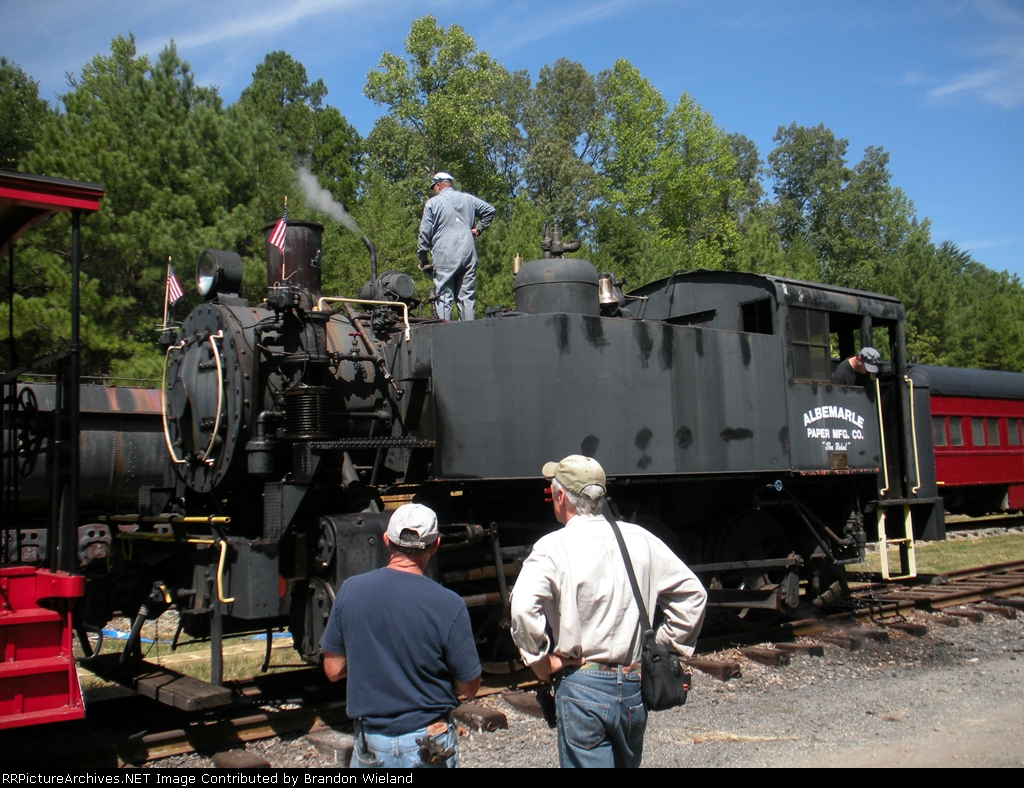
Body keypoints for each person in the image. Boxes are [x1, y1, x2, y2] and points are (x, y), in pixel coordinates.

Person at [510, 455, 707, 768]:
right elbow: (694, 595)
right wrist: (663, 646)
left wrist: (541, 662)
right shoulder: (641, 539)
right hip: (633, 685)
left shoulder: (552, 547)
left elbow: (522, 606)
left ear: (561, 497)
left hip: (582, 683)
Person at [320, 503, 481, 768]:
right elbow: (469, 688)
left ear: (386, 540)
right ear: (435, 545)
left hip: (370, 740)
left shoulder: (350, 591)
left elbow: (333, 669)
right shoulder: (450, 604)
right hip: (428, 741)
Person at [417, 172, 495, 321]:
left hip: (445, 253)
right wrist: (478, 229)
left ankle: (444, 336)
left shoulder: (432, 203)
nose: (434, 190)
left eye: (434, 187)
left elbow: (424, 233)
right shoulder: (468, 199)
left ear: (438, 185)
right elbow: (490, 210)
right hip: (469, 253)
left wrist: (422, 258)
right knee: (466, 296)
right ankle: (469, 336)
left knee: (444, 295)